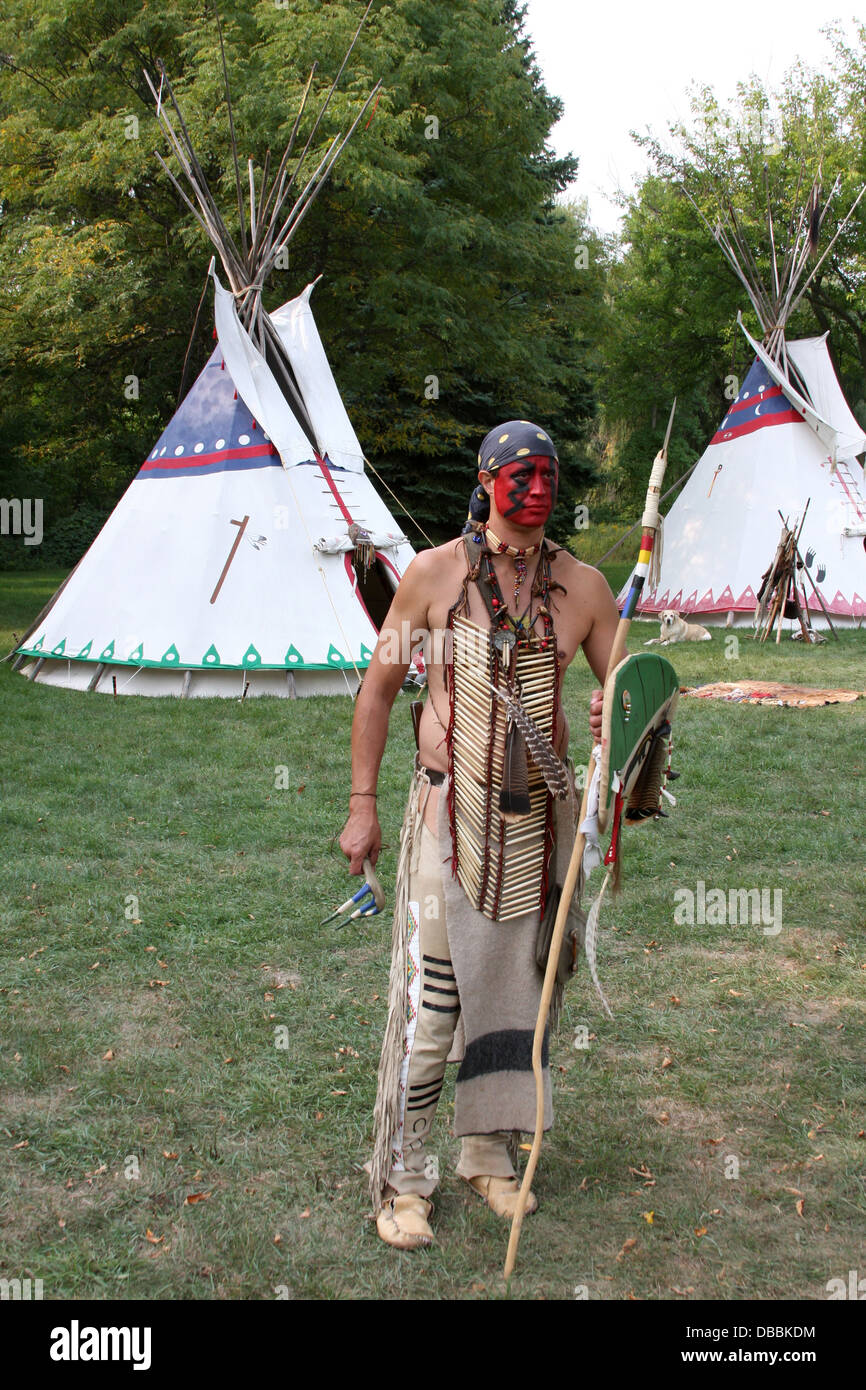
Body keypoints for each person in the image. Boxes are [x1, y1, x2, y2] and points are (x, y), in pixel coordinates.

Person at [339, 420, 620, 1250]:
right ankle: (401, 1173)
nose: (536, 489)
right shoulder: (432, 577)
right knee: (435, 1006)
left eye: (549, 475)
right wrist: (362, 804)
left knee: (517, 1000)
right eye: (519, 475)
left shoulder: (586, 587)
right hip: (446, 820)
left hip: (539, 826)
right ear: (486, 480)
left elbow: (635, 696)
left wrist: (620, 709)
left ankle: (488, 1154)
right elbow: (378, 693)